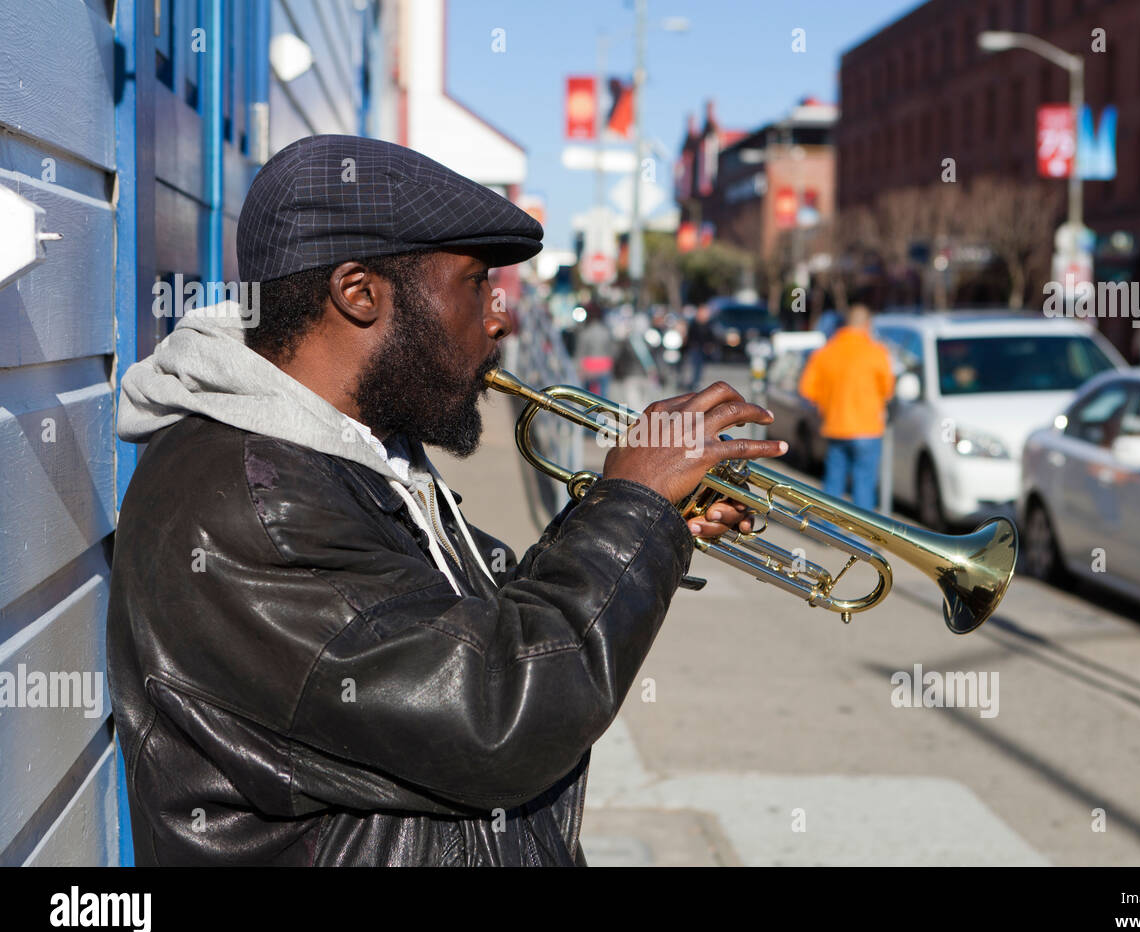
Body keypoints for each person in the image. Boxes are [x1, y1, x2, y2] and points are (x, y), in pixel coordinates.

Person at [105, 135, 784, 866]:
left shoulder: (353, 449)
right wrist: (631, 502)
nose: (500, 318)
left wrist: (648, 529)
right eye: (474, 283)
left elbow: (461, 635)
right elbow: (497, 717)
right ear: (359, 292)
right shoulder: (251, 503)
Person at [798, 301, 895, 511]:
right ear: (867, 325)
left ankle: (830, 532)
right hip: (867, 428)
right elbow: (888, 389)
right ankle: (862, 536)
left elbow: (807, 389)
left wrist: (825, 405)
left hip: (835, 426)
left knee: (833, 483)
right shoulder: (876, 352)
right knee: (864, 484)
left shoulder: (825, 352)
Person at [683, 304, 714, 389]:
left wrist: (709, 345)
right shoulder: (694, 323)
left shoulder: (708, 324)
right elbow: (690, 336)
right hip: (695, 348)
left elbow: (710, 336)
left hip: (703, 348)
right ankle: (693, 382)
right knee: (694, 365)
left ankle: (697, 381)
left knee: (700, 366)